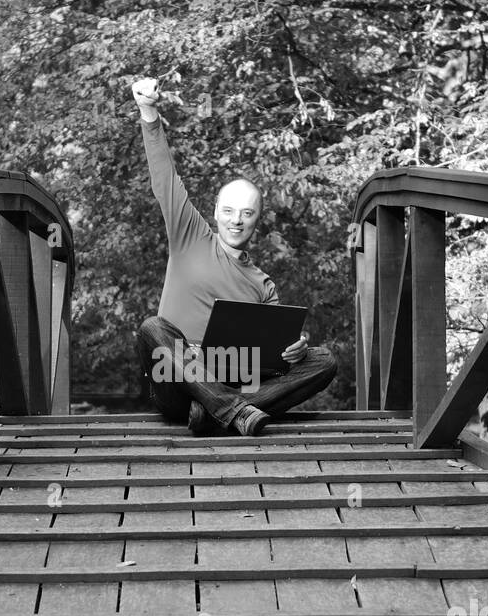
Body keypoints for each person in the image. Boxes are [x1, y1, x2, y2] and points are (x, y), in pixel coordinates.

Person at [130, 76, 337, 436]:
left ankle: (215, 412)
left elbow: (271, 358)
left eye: (246, 213)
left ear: (258, 217)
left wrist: (295, 349)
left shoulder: (263, 285)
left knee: (323, 360)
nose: (236, 220)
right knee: (152, 327)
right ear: (215, 211)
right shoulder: (189, 234)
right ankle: (231, 411)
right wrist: (148, 111)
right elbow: (163, 177)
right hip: (175, 380)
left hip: (233, 374)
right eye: (228, 211)